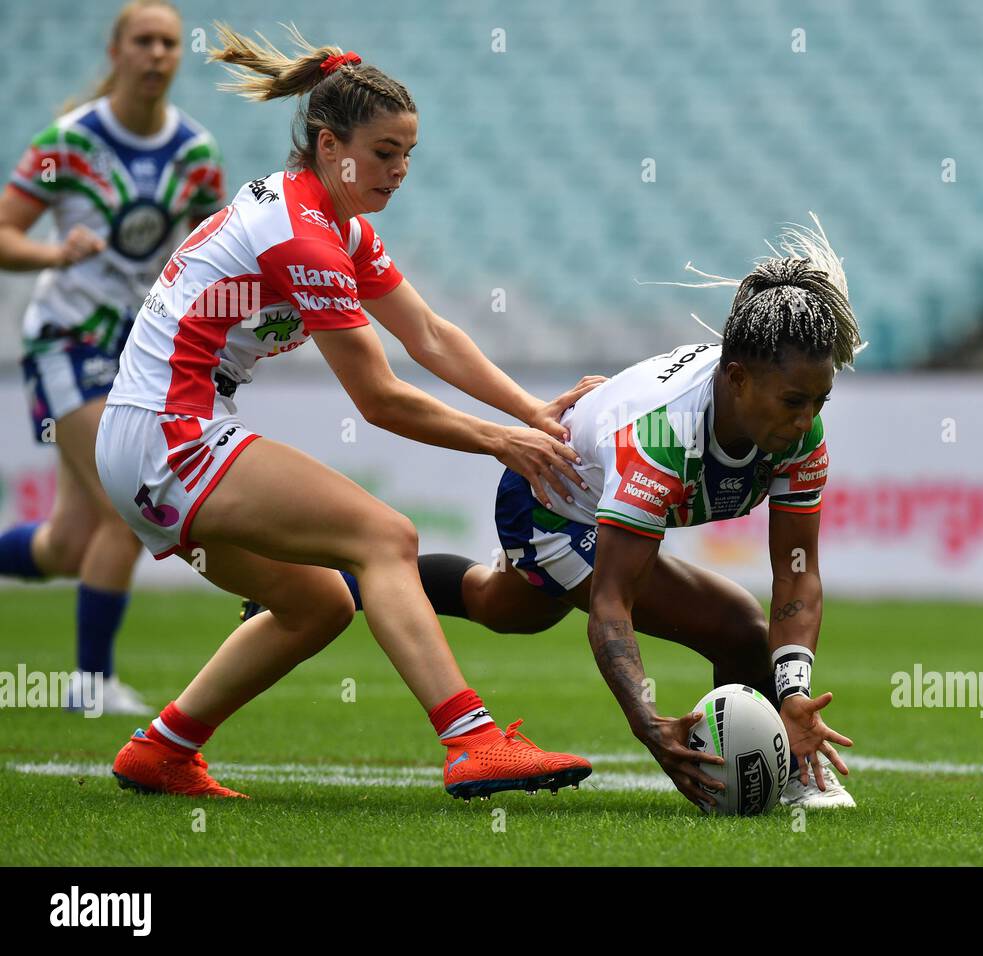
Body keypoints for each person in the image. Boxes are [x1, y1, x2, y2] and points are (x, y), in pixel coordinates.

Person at [100, 23, 600, 801]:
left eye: (407, 154)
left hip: (154, 434)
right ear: (331, 144)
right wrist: (503, 442)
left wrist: (534, 413)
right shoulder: (302, 235)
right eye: (384, 153)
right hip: (170, 432)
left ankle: (163, 750)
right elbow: (378, 398)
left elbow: (430, 336)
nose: (399, 171)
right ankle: (472, 743)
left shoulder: (337, 223)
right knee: (386, 538)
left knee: (319, 602)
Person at [282, 217, 865, 811]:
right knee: (737, 625)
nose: (806, 421)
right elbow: (614, 604)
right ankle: (778, 777)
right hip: (549, 507)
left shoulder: (798, 427)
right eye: (796, 402)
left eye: (820, 401)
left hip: (591, 487)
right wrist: (648, 724)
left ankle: (336, 580)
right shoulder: (663, 437)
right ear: (737, 379)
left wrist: (794, 692)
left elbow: (797, 573)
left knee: (501, 605)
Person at [0, 0, 224, 714]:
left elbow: (211, 256)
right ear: (116, 50)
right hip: (67, 339)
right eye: (144, 41)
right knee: (129, 505)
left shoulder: (195, 152)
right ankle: (89, 685)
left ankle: (90, 681)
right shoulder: (68, 143)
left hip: (135, 348)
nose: (158, 53)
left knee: (69, 545)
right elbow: (6, 233)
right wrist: (52, 251)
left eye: (169, 42)